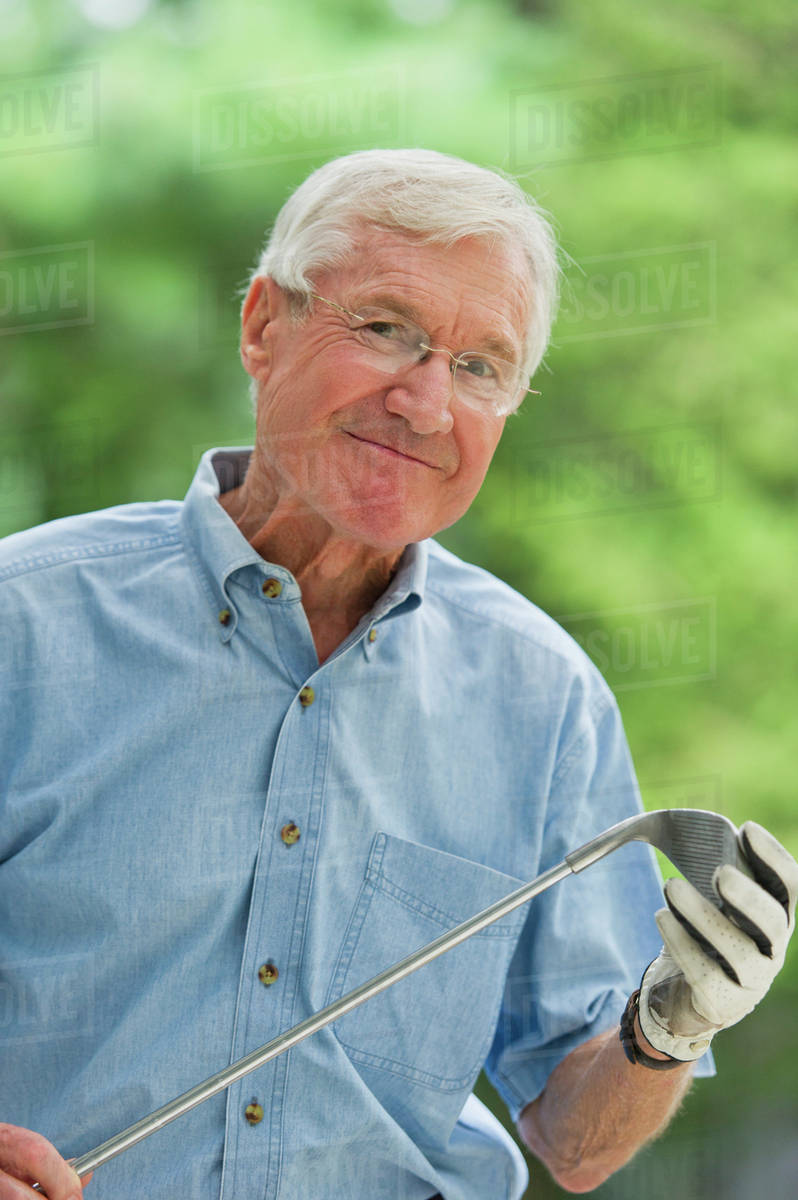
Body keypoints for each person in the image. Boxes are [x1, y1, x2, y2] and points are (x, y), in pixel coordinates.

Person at [0, 149, 795, 1200]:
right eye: (386, 330)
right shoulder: (25, 624)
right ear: (261, 325)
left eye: (480, 368)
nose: (425, 403)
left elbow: (578, 1139)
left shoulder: (542, 699)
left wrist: (666, 1027)